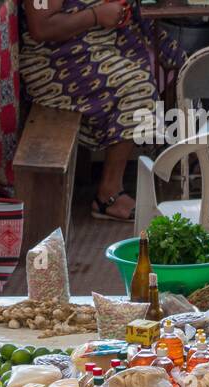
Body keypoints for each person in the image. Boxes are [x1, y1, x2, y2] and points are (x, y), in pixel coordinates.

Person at [19, 0, 180, 222]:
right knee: (136, 86)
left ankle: (189, 167)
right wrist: (96, 15)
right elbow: (41, 28)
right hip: (55, 59)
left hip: (102, 42)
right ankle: (109, 194)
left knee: (174, 58)